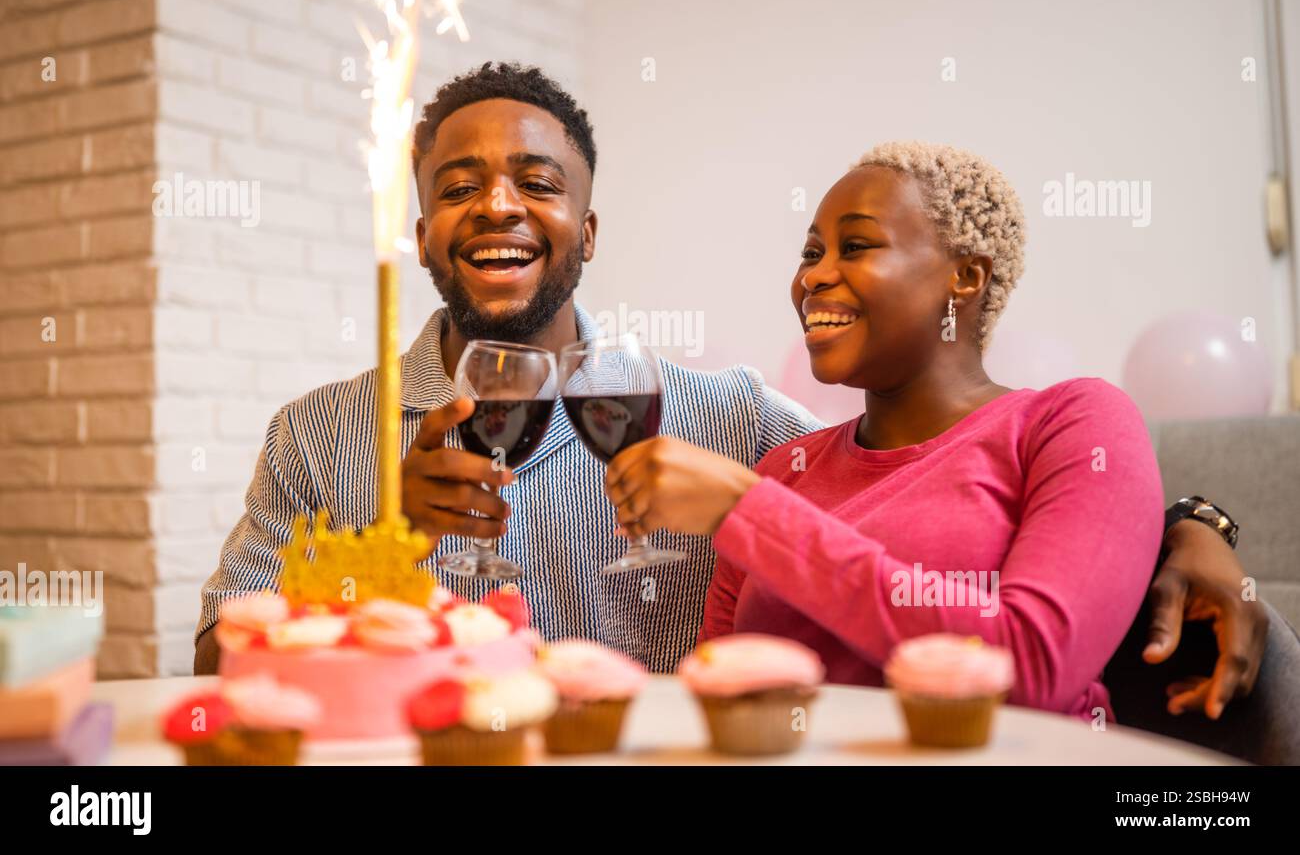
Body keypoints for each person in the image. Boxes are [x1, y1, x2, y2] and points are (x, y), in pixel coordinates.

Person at [195, 65, 1264, 719]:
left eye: (538, 180)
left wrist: (1185, 523)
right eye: (457, 187)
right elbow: (214, 661)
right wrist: (381, 548)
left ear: (587, 228)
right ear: (421, 228)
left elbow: (935, 494)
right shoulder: (318, 434)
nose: (498, 206)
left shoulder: (729, 422)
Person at [602, 141, 1265, 721]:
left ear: (965, 276)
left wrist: (747, 511)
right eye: (810, 252)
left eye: (855, 246)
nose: (813, 276)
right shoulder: (783, 470)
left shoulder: (1072, 420)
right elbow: (723, 696)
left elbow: (1031, 667)